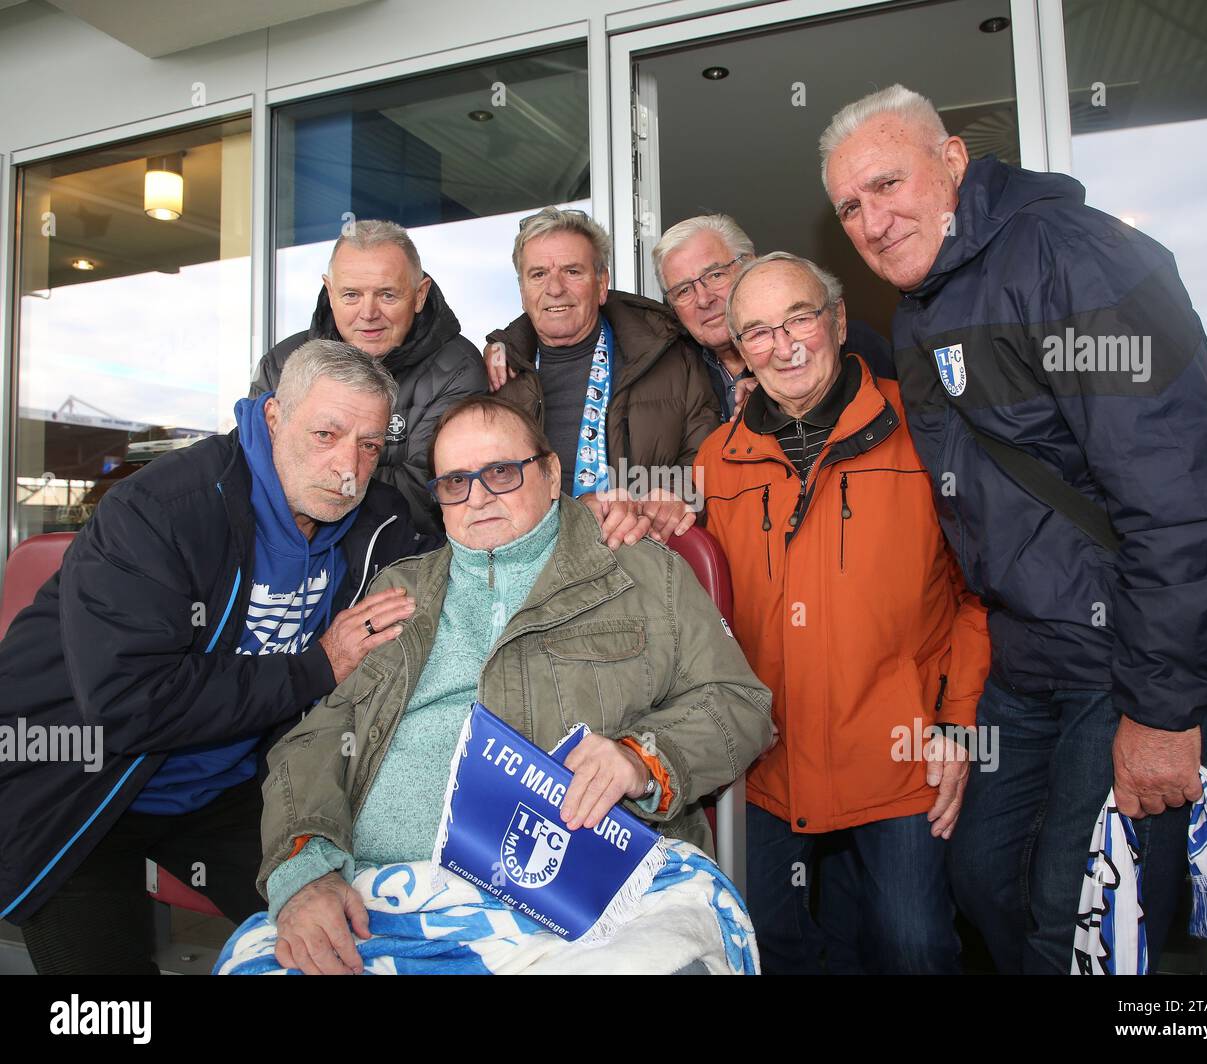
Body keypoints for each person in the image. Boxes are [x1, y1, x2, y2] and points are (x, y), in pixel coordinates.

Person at [820, 84, 1207, 973]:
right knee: (981, 878)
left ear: (952, 162)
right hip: (1028, 663)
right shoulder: (923, 305)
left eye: (887, 183)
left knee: (1082, 916)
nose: (872, 219)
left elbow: (1183, 495)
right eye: (850, 207)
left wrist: (1164, 710)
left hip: (1129, 658)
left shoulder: (1070, 254)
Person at [253, 394, 773, 974]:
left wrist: (642, 759)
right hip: (376, 898)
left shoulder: (642, 572)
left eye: (500, 472)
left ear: (551, 475)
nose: (477, 497)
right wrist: (307, 868)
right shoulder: (400, 590)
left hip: (584, 897)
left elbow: (739, 704)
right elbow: (317, 739)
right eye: (455, 483)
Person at [0, 341, 428, 973]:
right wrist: (317, 664)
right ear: (275, 418)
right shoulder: (157, 511)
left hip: (227, 790)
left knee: (351, 943)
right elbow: (127, 704)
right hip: (78, 789)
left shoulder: (377, 524)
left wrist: (588, 517)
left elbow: (474, 553)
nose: (348, 467)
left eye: (368, 446)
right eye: (327, 434)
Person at [694, 252, 990, 974]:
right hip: (764, 760)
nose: (784, 344)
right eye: (758, 331)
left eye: (799, 317)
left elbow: (982, 592)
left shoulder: (923, 426)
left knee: (913, 947)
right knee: (761, 945)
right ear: (739, 352)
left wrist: (957, 722)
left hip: (897, 752)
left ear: (837, 320)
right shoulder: (714, 459)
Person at [483, 207, 719, 547]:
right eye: (537, 275)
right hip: (530, 571)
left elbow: (708, 456)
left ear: (602, 284)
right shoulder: (496, 376)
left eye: (572, 271)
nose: (555, 288)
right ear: (522, 292)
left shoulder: (669, 356)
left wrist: (673, 494)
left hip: (642, 556)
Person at [251, 219, 487, 536]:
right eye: (351, 295)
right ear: (329, 291)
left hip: (408, 561)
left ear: (419, 295)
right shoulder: (282, 364)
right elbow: (255, 471)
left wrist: (310, 480)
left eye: (387, 295)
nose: (368, 312)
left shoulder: (458, 368)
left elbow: (428, 493)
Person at [651, 214, 895, 420]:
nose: (703, 300)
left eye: (716, 275)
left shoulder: (844, 340)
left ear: (750, 265)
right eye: (683, 291)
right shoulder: (673, 375)